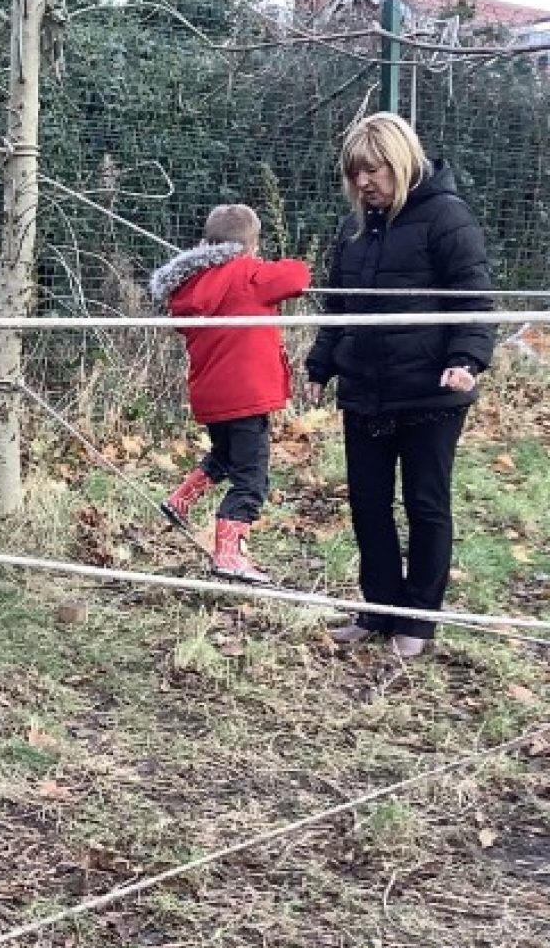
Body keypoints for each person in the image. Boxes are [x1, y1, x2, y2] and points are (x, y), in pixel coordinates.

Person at [306, 112, 495, 659]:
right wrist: (322, 366)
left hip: (432, 391)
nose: (365, 183)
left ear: (402, 162)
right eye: (355, 173)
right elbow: (338, 309)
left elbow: (474, 299)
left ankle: (419, 621)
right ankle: (379, 608)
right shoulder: (355, 229)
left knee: (425, 502)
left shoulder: (447, 218)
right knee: (367, 503)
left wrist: (468, 359)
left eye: (375, 170)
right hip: (366, 387)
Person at [150, 203, 311, 582]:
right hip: (246, 396)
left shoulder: (192, 281)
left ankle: (180, 500)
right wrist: (257, 260)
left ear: (207, 241)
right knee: (251, 479)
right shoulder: (249, 273)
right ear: (253, 245)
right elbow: (297, 276)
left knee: (225, 455)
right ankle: (227, 553)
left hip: (212, 396)